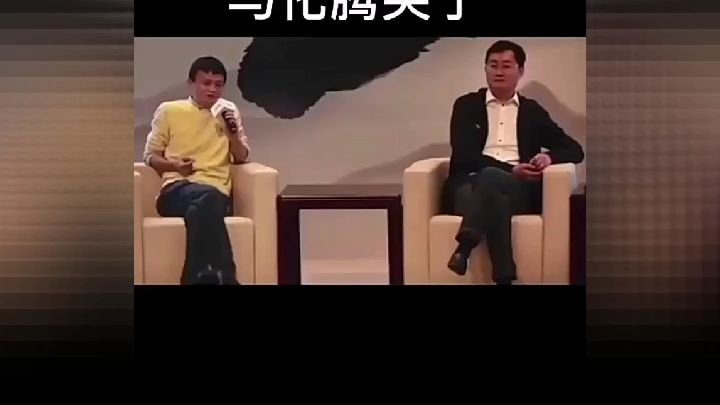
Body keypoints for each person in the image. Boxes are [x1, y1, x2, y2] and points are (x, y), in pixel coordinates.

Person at [442, 40, 584, 285]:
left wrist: (549, 157)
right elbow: (464, 154)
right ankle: (503, 276)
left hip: (518, 189)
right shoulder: (466, 106)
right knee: (491, 182)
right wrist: (511, 169)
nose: (499, 71)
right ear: (485, 68)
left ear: (520, 71)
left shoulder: (531, 111)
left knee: (493, 184)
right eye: (493, 65)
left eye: (506, 65)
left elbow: (574, 149)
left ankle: (465, 247)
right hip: (469, 186)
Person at [143, 56, 250, 285]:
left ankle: (194, 278)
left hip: (217, 192)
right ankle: (226, 277)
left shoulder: (228, 111)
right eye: (206, 83)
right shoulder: (170, 110)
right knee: (207, 199)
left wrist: (232, 134)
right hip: (176, 190)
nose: (212, 89)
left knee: (201, 207)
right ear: (191, 83)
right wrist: (174, 166)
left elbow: (241, 157)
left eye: (218, 84)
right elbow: (150, 156)